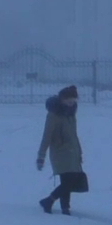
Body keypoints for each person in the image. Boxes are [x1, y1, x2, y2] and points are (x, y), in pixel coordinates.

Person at [36, 85, 87, 215]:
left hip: (72, 152)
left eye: (73, 100)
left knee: (67, 181)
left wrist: (79, 152)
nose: (71, 103)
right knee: (69, 180)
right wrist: (41, 156)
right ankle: (49, 200)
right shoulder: (53, 115)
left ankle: (64, 207)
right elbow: (46, 136)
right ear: (62, 99)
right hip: (60, 152)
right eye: (68, 100)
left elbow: (74, 134)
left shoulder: (71, 114)